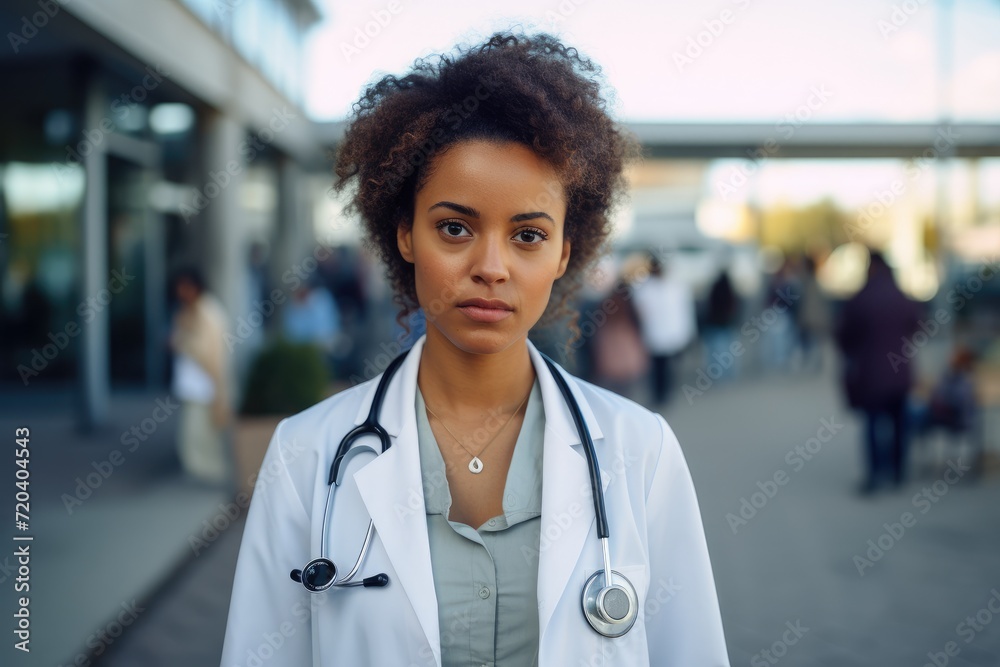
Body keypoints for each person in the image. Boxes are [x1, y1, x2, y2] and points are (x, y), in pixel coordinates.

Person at [221, 32, 729, 667]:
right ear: (404, 233)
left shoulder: (640, 451)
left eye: (528, 235)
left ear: (565, 252)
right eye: (455, 227)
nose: (491, 267)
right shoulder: (305, 456)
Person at [835, 250, 921, 494]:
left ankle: (875, 476)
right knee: (899, 424)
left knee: (873, 424)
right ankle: (898, 473)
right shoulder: (901, 296)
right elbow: (917, 325)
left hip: (871, 373)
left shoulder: (861, 298)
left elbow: (844, 335)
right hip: (900, 372)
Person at [168, 267, 232, 485]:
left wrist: (181, 341)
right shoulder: (192, 309)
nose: (180, 292)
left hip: (204, 385)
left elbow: (207, 350)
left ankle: (210, 476)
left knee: (199, 435)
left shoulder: (206, 311)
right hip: (194, 385)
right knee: (196, 435)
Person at [631, 253, 697, 405]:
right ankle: (660, 394)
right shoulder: (646, 288)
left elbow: (683, 311)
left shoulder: (672, 286)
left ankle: (664, 393)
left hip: (670, 335)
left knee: (667, 367)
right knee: (659, 368)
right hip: (656, 336)